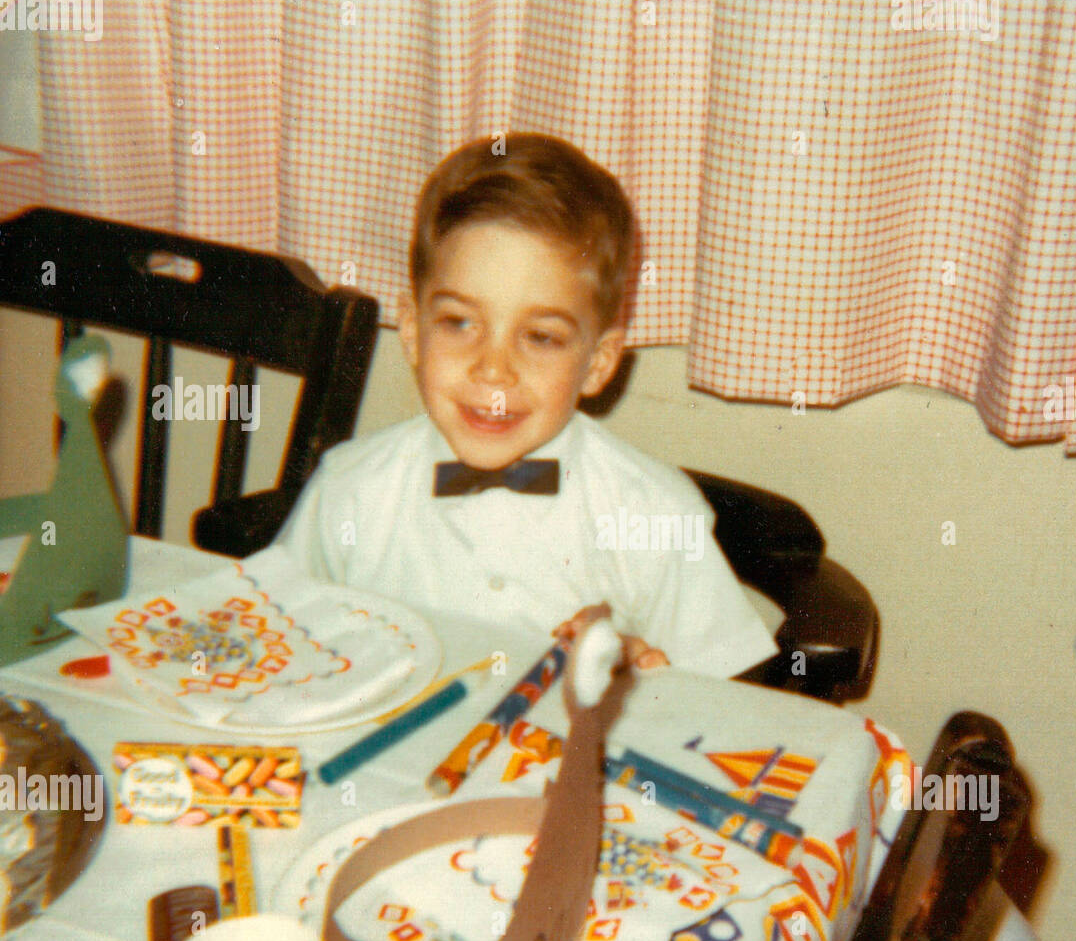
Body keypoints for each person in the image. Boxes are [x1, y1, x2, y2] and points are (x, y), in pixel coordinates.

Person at [275, 133, 776, 679]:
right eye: (460, 322)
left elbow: (729, 704)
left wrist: (647, 684)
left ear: (600, 363)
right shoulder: (350, 490)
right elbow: (277, 639)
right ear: (414, 332)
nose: (493, 369)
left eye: (540, 336)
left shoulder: (654, 514)